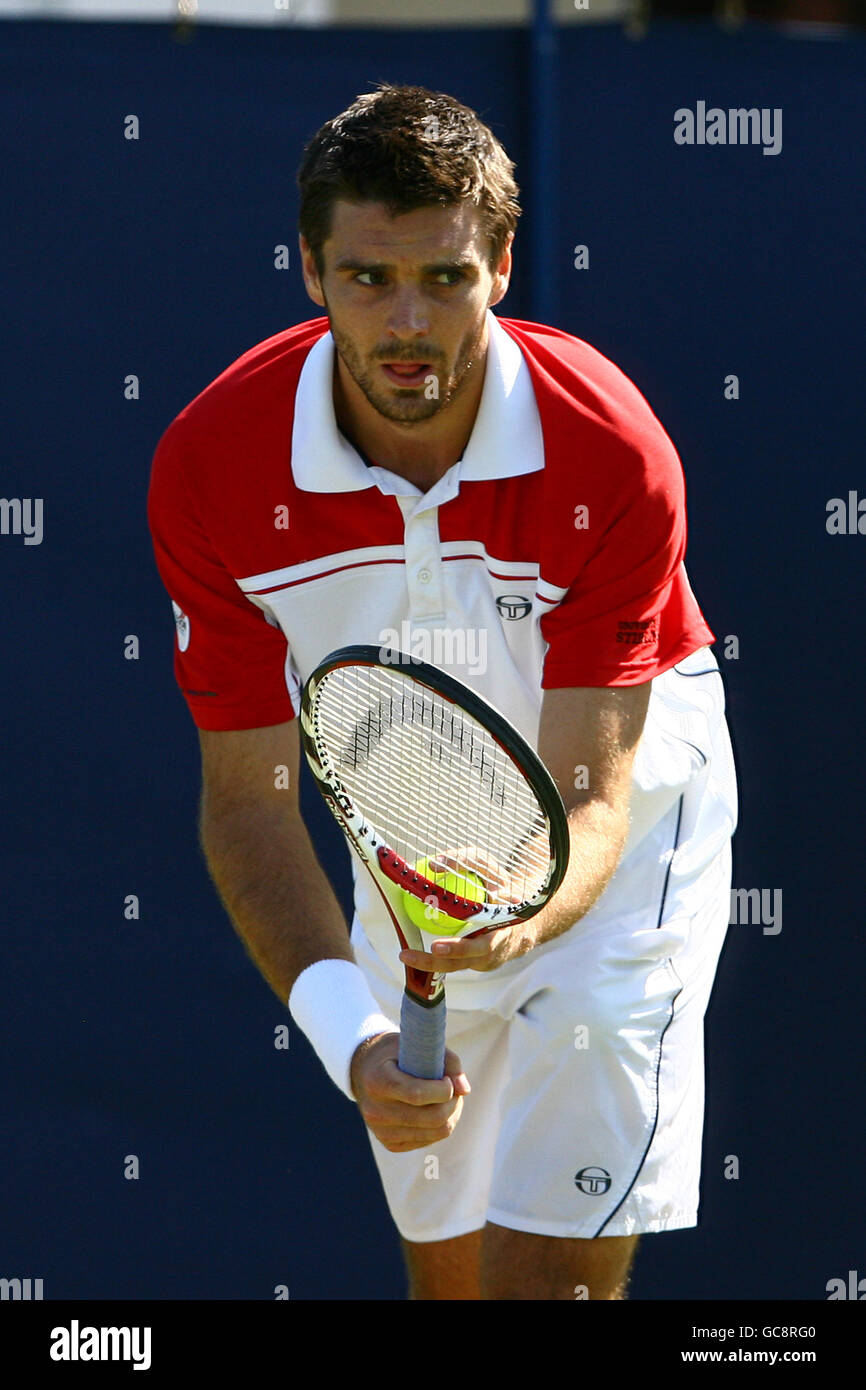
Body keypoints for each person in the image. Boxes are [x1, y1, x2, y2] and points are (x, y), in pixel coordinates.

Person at [147, 83, 738, 1301]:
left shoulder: (612, 452)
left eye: (445, 278)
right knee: (448, 1281)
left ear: (502, 268)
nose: (405, 321)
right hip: (410, 829)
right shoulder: (211, 466)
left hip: (618, 836)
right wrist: (353, 1037)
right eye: (367, 278)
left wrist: (517, 918)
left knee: (541, 1283)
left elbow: (591, 796)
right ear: (309, 270)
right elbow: (249, 802)